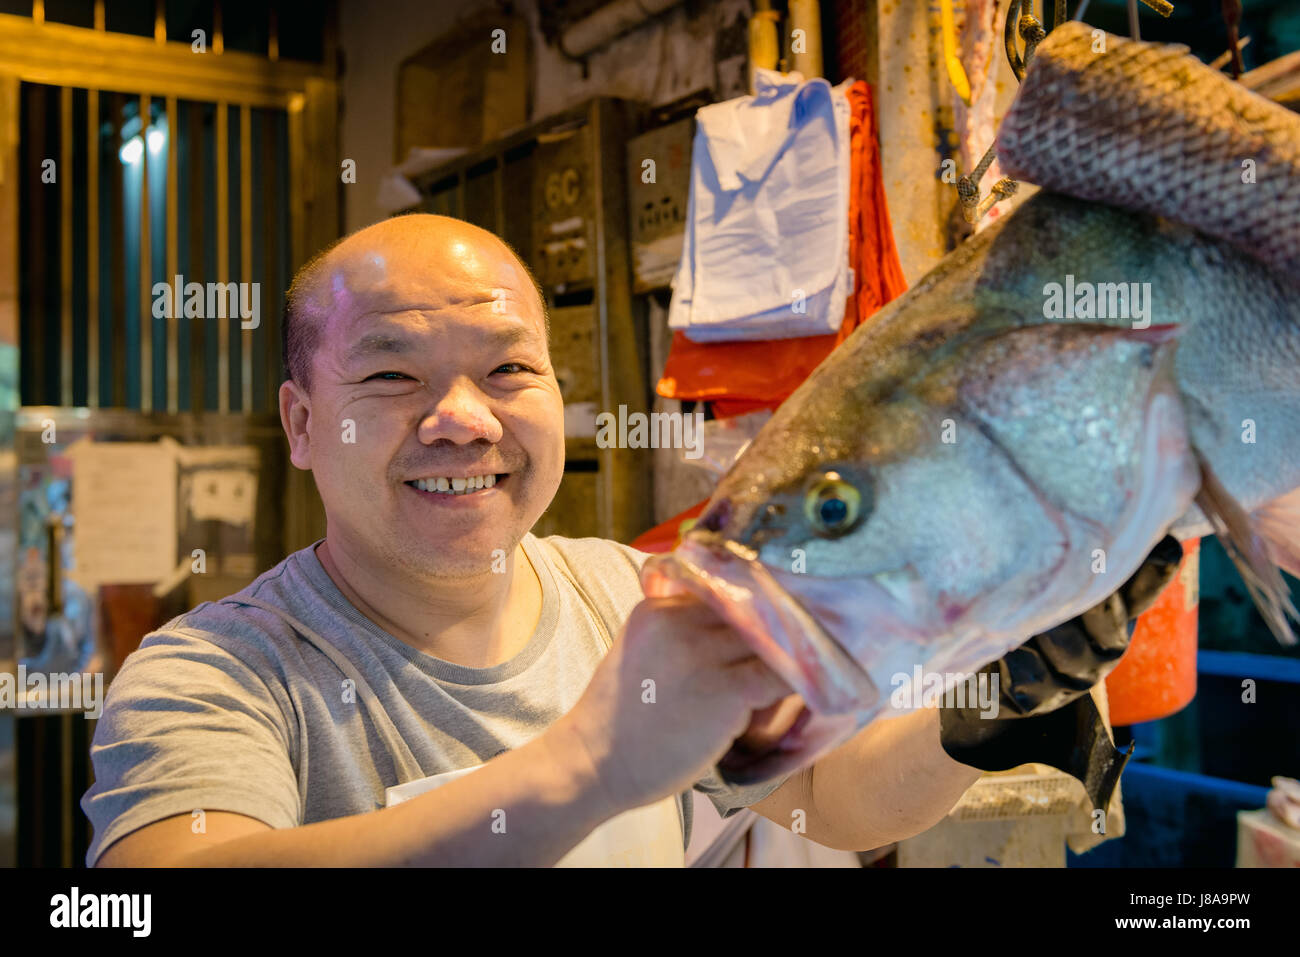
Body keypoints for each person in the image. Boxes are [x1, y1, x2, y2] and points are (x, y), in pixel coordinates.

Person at [82, 214, 1167, 867]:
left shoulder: (633, 597)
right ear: (302, 424)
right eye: (389, 372)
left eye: (509, 369)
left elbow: (826, 800)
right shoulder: (211, 672)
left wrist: (982, 704)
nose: (462, 414)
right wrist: (589, 767)